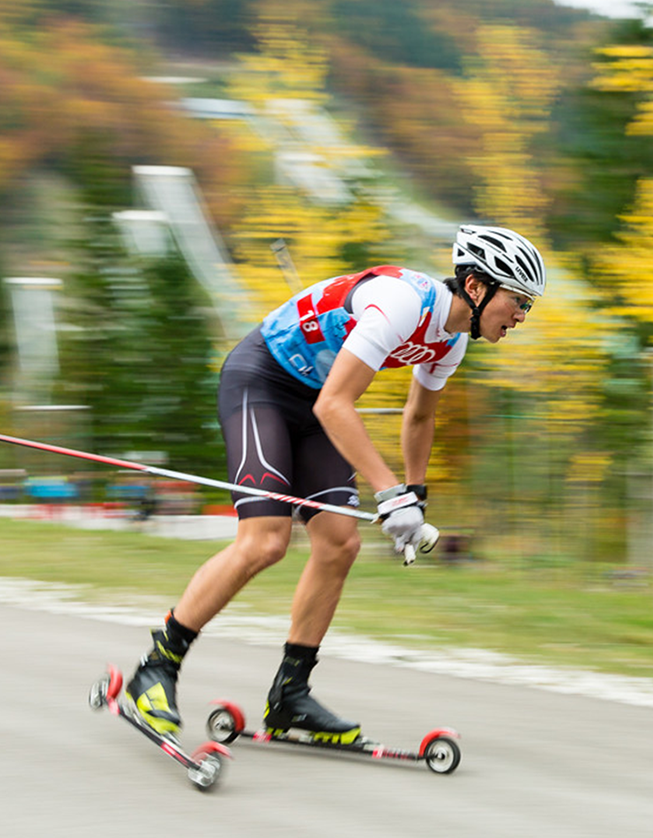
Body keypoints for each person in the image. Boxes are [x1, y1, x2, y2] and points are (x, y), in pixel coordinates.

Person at [124, 224, 546, 744]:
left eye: (527, 304)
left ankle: (290, 695)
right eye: (518, 300)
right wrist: (388, 493)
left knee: (340, 543)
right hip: (263, 383)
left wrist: (414, 495)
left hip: (316, 402)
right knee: (266, 541)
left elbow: (418, 416)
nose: (522, 314)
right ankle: (156, 666)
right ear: (477, 287)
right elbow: (335, 405)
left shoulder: (452, 341)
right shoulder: (403, 303)